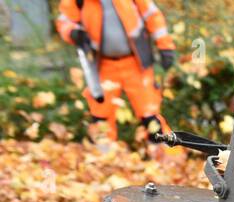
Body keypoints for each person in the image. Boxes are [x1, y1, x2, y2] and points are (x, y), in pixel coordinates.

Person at [55, 0, 177, 144]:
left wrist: (165, 46)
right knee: (101, 117)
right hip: (103, 65)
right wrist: (73, 32)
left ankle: (167, 158)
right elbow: (64, 21)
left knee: (150, 116)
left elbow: (152, 15)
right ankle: (104, 159)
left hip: (135, 63)